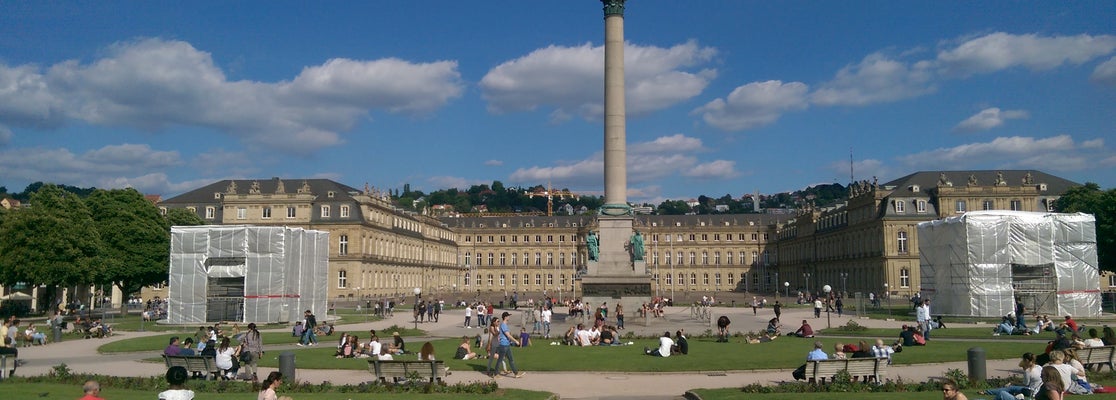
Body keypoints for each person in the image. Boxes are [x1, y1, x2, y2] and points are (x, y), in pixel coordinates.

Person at [489, 312, 525, 378]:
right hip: (503, 345)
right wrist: (516, 341)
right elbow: (508, 335)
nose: (509, 317)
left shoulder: (504, 325)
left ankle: (516, 374)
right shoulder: (503, 325)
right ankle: (495, 374)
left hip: (507, 345)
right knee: (500, 360)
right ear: (505, 317)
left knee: (511, 359)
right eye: (508, 316)